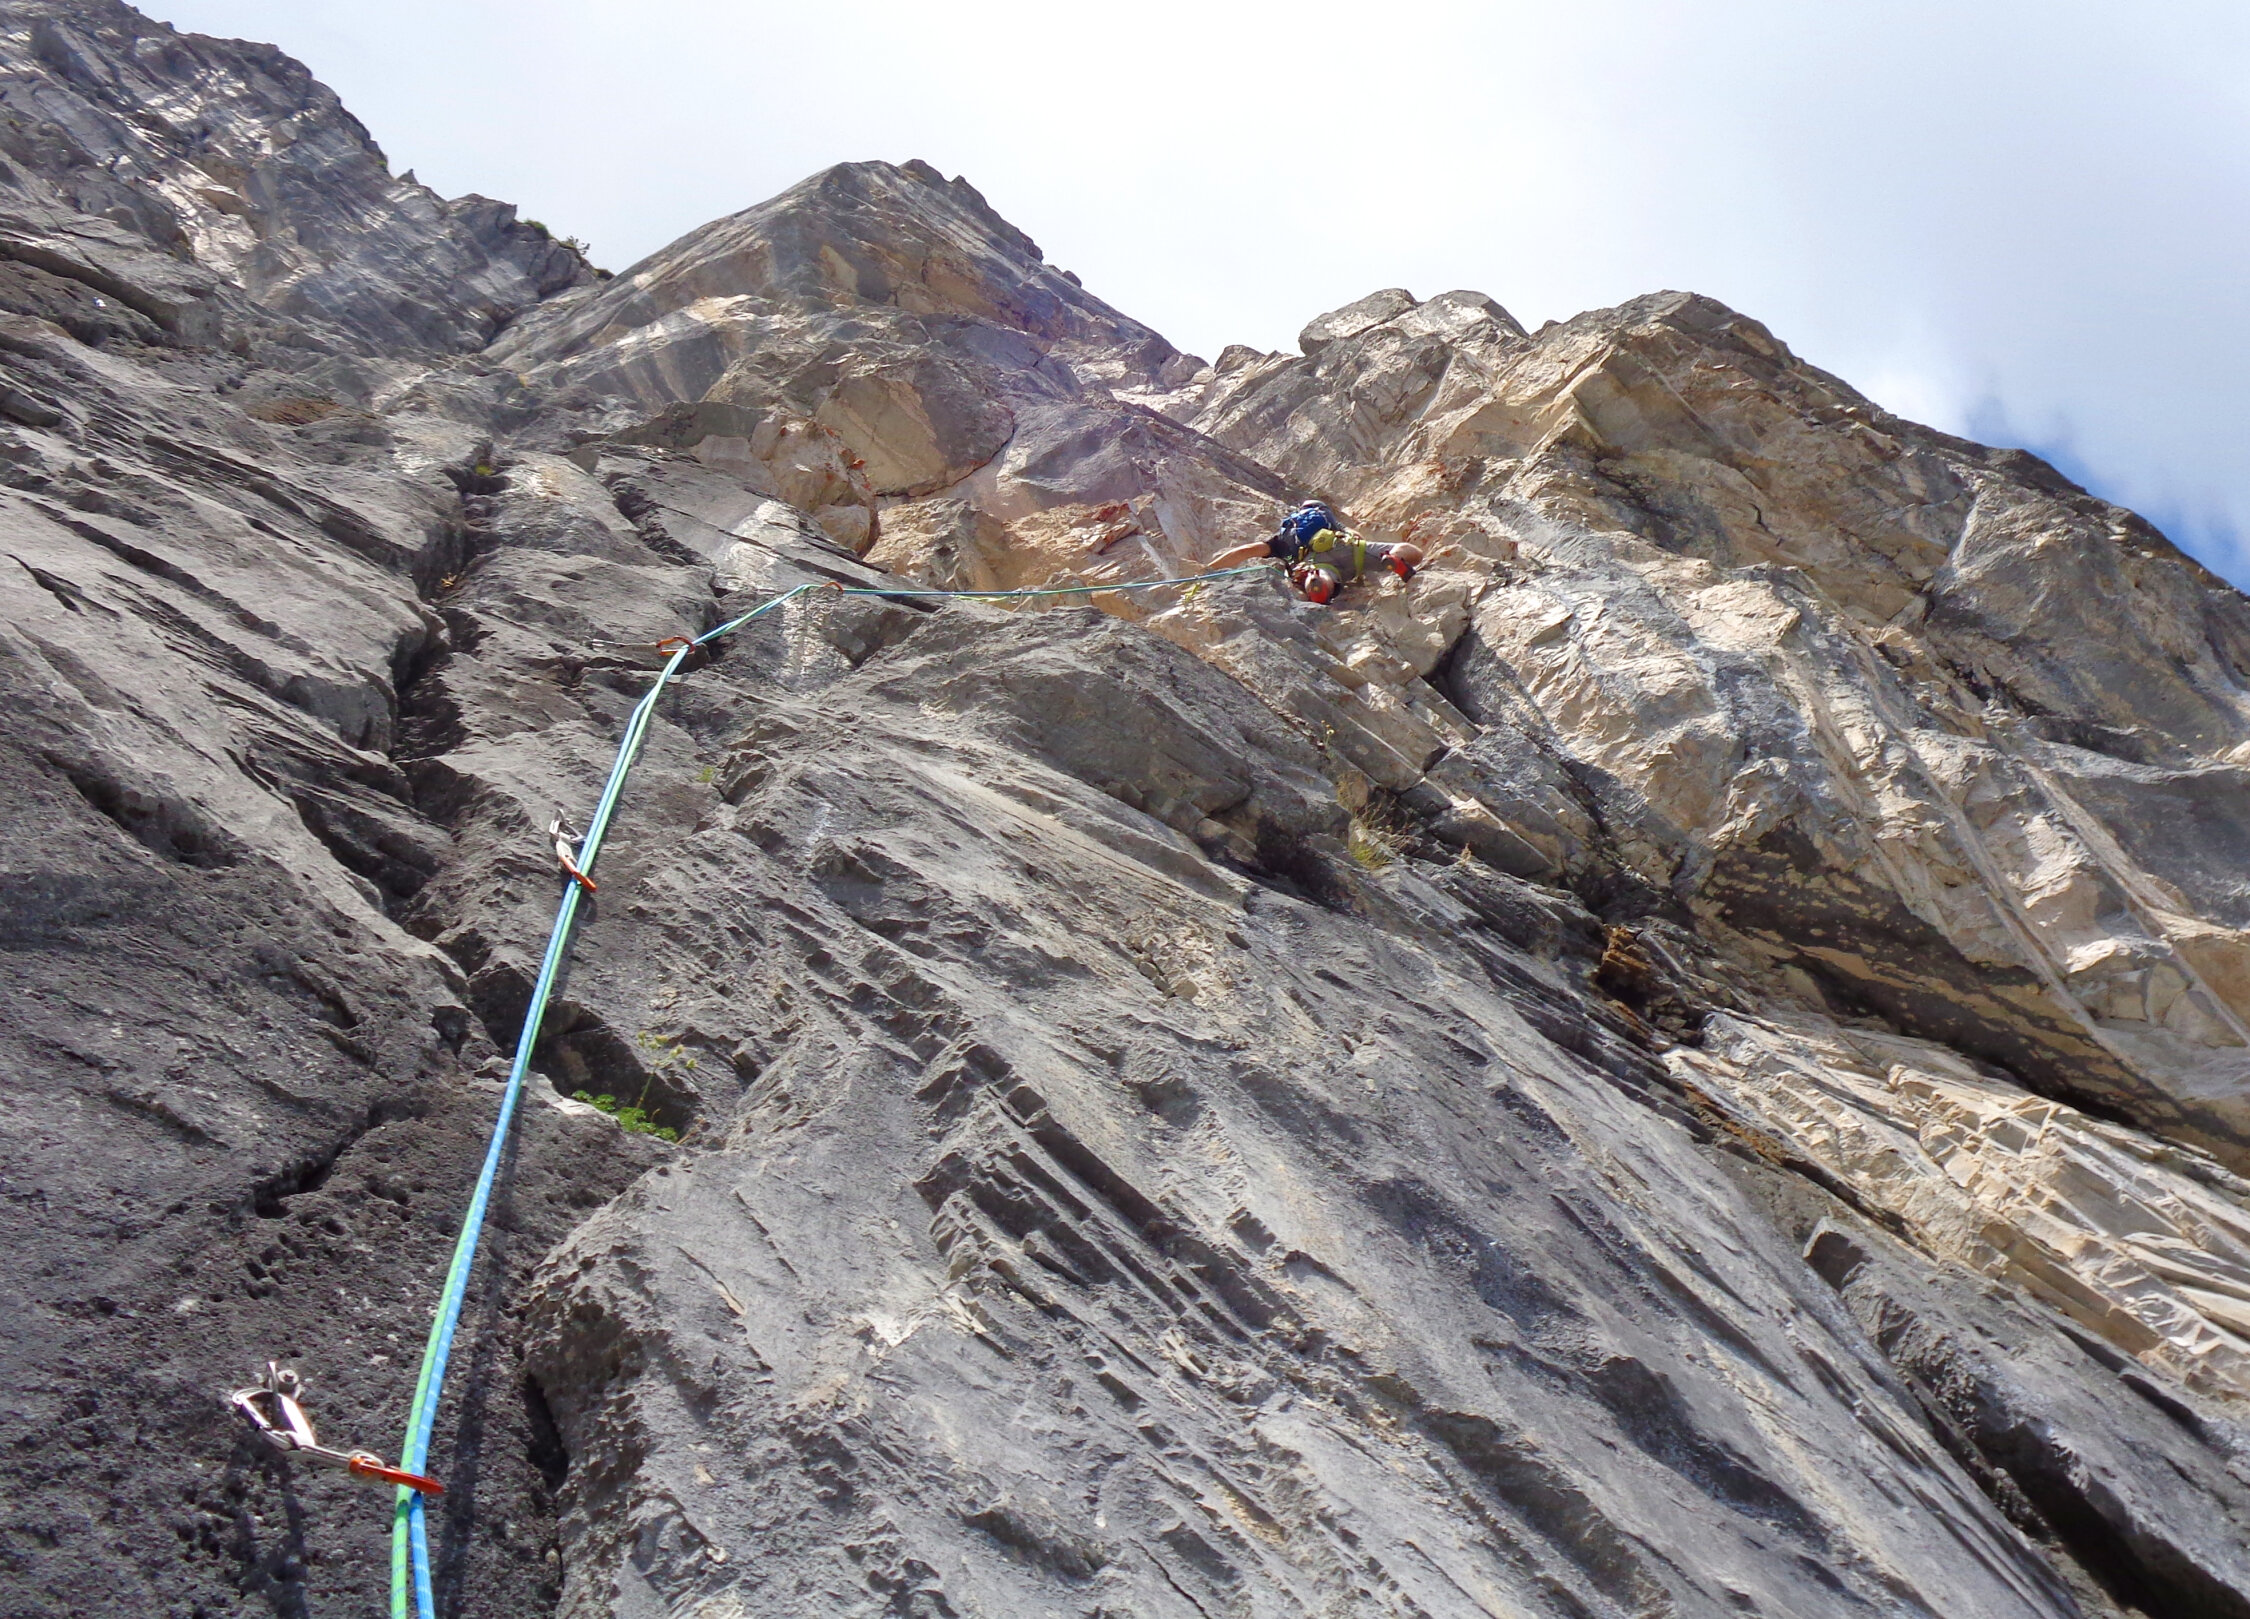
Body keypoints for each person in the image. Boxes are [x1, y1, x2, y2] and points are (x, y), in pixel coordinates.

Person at [1203, 500, 1422, 604]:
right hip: (1348, 549)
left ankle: (1318, 583)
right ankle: (1394, 559)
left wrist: (1209, 569)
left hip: (1315, 561)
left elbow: (1248, 550)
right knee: (1410, 552)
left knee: (1323, 573)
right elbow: (1356, 536)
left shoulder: (1282, 538)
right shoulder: (1328, 519)